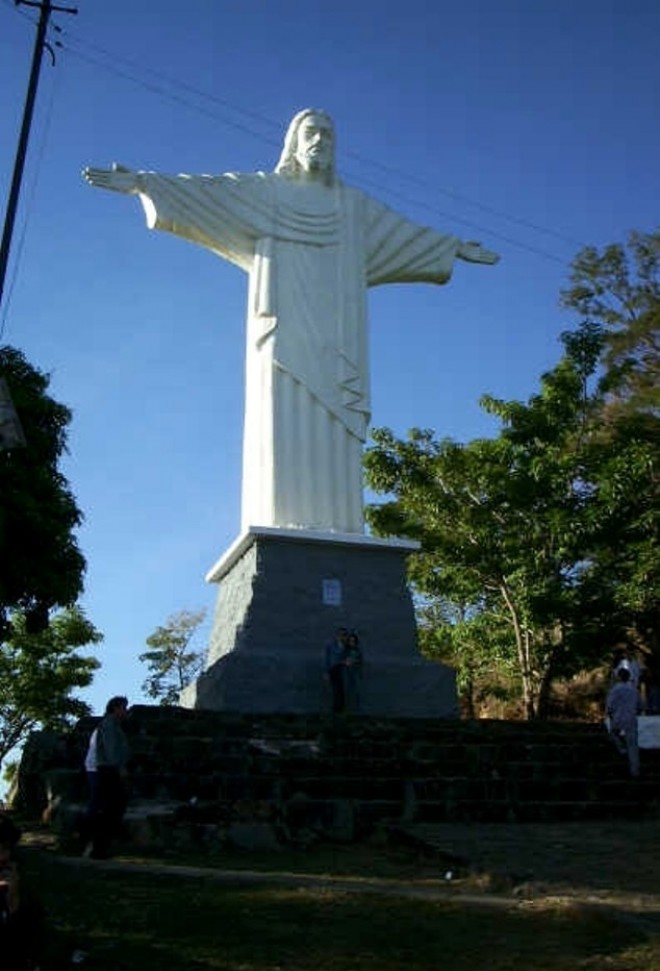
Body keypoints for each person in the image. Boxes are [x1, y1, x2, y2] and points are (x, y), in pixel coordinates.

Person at [83, 109, 499, 536]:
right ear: (294, 142)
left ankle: (341, 525)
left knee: (335, 427)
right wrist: (145, 184)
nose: (320, 140)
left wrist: (452, 248)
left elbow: (401, 235)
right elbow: (210, 194)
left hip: (339, 339)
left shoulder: (353, 208)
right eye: (311, 132)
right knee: (283, 423)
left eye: (327, 134)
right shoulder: (266, 194)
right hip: (282, 332)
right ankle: (283, 519)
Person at [0, 814, 46, 971]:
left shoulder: (21, 895)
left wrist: (14, 904)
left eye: (4, 848)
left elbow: (23, 949)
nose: (2, 856)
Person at [83, 696, 130, 859]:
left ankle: (95, 845)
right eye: (124, 708)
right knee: (107, 807)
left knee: (104, 806)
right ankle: (95, 845)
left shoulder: (111, 725)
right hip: (105, 769)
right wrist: (119, 768)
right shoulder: (109, 725)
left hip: (103, 768)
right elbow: (111, 750)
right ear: (115, 708)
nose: (126, 711)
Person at [605, 666, 640, 777]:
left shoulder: (615, 689)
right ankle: (635, 770)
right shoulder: (633, 689)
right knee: (633, 746)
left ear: (619, 677)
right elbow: (640, 704)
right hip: (631, 718)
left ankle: (621, 749)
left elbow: (610, 704)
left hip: (618, 717)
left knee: (613, 734)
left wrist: (609, 713)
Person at [324, 627, 348, 713]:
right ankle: (336, 708)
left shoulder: (346, 646)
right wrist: (326, 672)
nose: (342, 637)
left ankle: (340, 708)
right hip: (333, 669)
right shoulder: (331, 646)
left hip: (342, 669)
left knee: (341, 690)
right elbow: (327, 659)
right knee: (335, 690)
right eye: (340, 635)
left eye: (344, 635)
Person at [344, 631, 363, 713]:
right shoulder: (345, 651)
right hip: (346, 674)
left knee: (355, 692)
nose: (352, 643)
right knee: (346, 692)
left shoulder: (358, 652)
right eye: (350, 641)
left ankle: (355, 709)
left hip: (355, 674)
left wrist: (355, 662)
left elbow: (360, 662)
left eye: (353, 641)